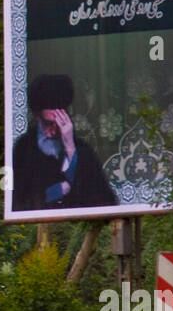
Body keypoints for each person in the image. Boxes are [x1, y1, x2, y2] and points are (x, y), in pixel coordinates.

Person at [12, 74, 117, 211]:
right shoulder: (24, 148)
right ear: (38, 117)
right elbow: (21, 200)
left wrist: (70, 147)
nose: (54, 131)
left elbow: (104, 200)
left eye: (59, 124)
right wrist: (58, 191)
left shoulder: (82, 149)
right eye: (48, 124)